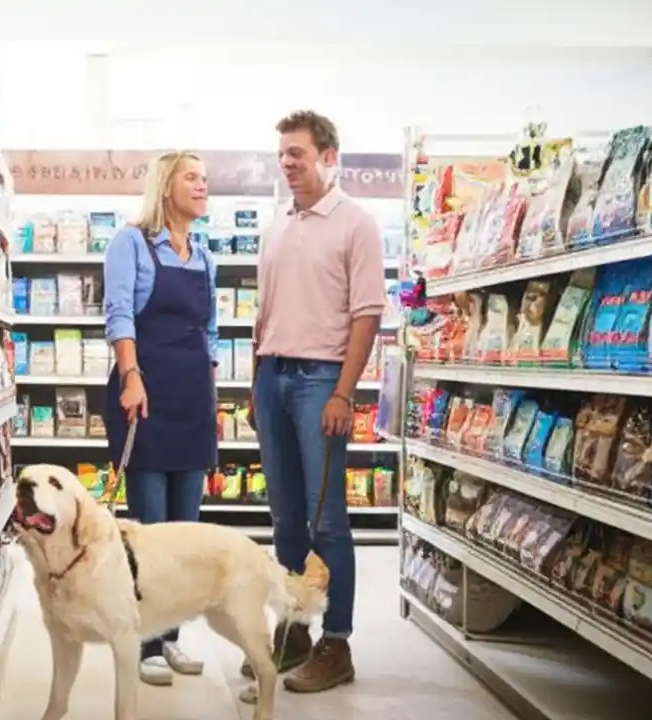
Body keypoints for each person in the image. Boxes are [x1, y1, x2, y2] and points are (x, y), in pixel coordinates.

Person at [242, 110, 385, 699]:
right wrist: (255, 383)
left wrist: (343, 392)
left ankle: (337, 642)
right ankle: (296, 630)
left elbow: (367, 314)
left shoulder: (357, 224)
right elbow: (264, 312)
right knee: (284, 517)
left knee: (327, 519)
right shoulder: (277, 223)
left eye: (296, 153)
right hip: (273, 376)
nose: (286, 162)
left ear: (328, 156)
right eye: (282, 153)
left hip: (321, 380)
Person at [102, 151, 218, 687]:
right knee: (148, 529)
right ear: (166, 186)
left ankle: (169, 637)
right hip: (144, 393)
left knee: (184, 532)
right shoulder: (131, 243)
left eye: (204, 178)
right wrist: (131, 376)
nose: (202, 185)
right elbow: (120, 314)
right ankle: (142, 641)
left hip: (192, 396)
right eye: (192, 177)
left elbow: (209, 333)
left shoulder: (204, 256)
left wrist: (211, 397)